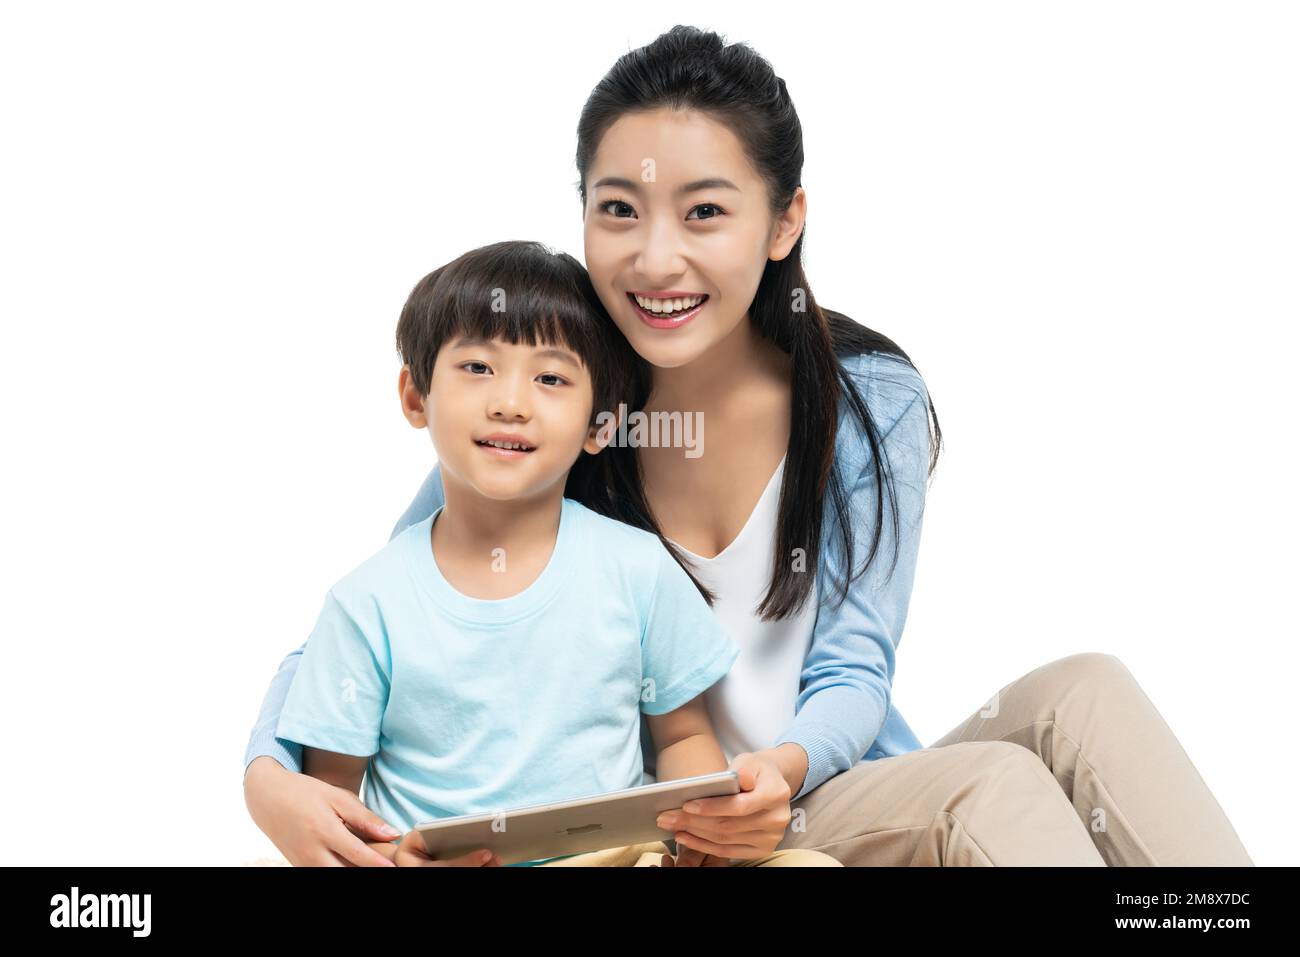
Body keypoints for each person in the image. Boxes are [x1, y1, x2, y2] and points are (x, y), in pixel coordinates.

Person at [245, 25, 1252, 867]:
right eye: (619, 212)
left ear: (783, 224)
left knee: (1085, 689)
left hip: (814, 790)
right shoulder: (560, 412)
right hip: (674, 830)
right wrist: (267, 786)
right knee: (992, 785)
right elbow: (389, 599)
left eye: (706, 213)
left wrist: (785, 769)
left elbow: (855, 668)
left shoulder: (867, 398)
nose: (655, 257)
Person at [272, 239, 840, 868]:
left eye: (549, 378)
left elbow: (683, 735)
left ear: (601, 426)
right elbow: (332, 797)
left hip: (618, 858)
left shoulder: (636, 568)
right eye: (477, 368)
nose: (510, 403)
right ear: (415, 396)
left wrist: (702, 836)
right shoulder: (367, 602)